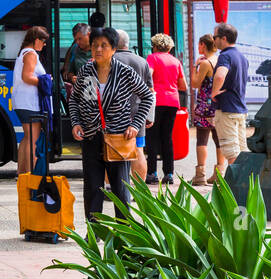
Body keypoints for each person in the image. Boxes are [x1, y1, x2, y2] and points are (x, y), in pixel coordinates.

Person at [71, 27, 153, 221]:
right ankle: (94, 230)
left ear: (114, 48)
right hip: (91, 137)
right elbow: (74, 99)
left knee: (120, 190)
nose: (98, 49)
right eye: (94, 46)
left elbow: (147, 96)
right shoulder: (86, 71)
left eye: (103, 45)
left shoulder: (124, 72)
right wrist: (76, 122)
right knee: (92, 188)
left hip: (118, 138)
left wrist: (136, 124)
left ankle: (123, 231)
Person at [145, 33, 187, 187]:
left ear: (155, 46)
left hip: (156, 101)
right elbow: (183, 86)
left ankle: (152, 173)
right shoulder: (176, 61)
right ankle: (169, 174)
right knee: (167, 138)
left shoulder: (152, 58)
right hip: (172, 102)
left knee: (152, 137)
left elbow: (148, 77)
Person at [210, 22, 249, 185]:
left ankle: (236, 187)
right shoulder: (241, 56)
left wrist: (214, 92)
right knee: (241, 150)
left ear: (223, 38)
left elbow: (220, 75)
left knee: (231, 151)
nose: (213, 41)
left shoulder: (225, 56)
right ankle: (247, 183)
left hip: (227, 109)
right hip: (239, 108)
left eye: (215, 37)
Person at [114, 28, 155, 182]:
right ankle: (139, 190)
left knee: (112, 149)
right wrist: (149, 115)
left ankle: (112, 187)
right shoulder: (142, 61)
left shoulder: (108, 61)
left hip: (115, 113)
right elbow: (150, 91)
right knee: (138, 149)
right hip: (138, 113)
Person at [12, 26, 50, 176]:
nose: (44, 44)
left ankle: (21, 173)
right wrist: (45, 81)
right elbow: (27, 77)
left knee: (26, 138)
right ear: (36, 40)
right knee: (33, 139)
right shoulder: (31, 54)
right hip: (29, 102)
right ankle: (30, 174)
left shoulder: (23, 52)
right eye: (43, 41)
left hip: (21, 102)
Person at [190, 33, 226, 187]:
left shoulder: (205, 63)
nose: (198, 47)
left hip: (205, 106)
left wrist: (194, 67)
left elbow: (195, 84)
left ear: (203, 45)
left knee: (202, 140)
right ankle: (219, 174)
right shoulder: (220, 60)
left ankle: (200, 175)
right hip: (218, 105)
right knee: (219, 140)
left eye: (199, 44)